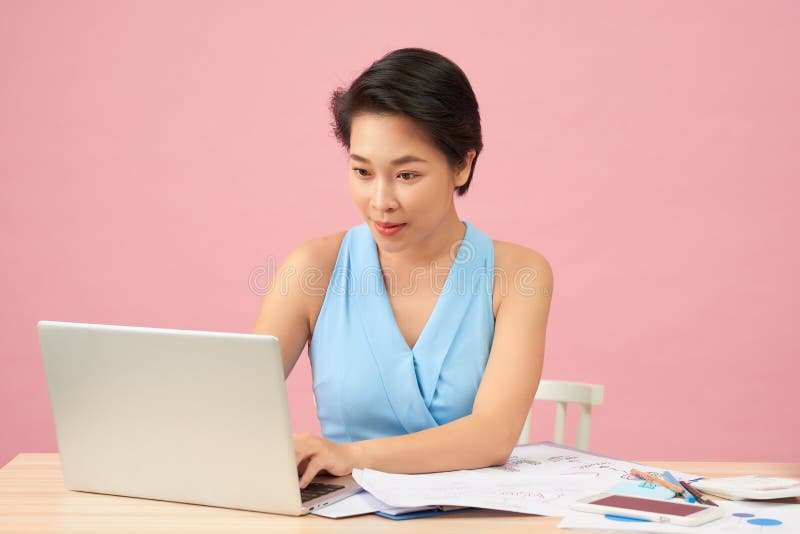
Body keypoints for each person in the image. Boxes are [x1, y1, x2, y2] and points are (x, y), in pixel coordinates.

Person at [253, 47, 553, 488]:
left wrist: (348, 455)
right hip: (340, 516)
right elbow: (233, 405)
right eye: (362, 171)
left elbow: (493, 437)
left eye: (407, 175)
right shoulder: (310, 269)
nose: (381, 201)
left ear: (462, 165)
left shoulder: (518, 275)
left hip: (471, 520)